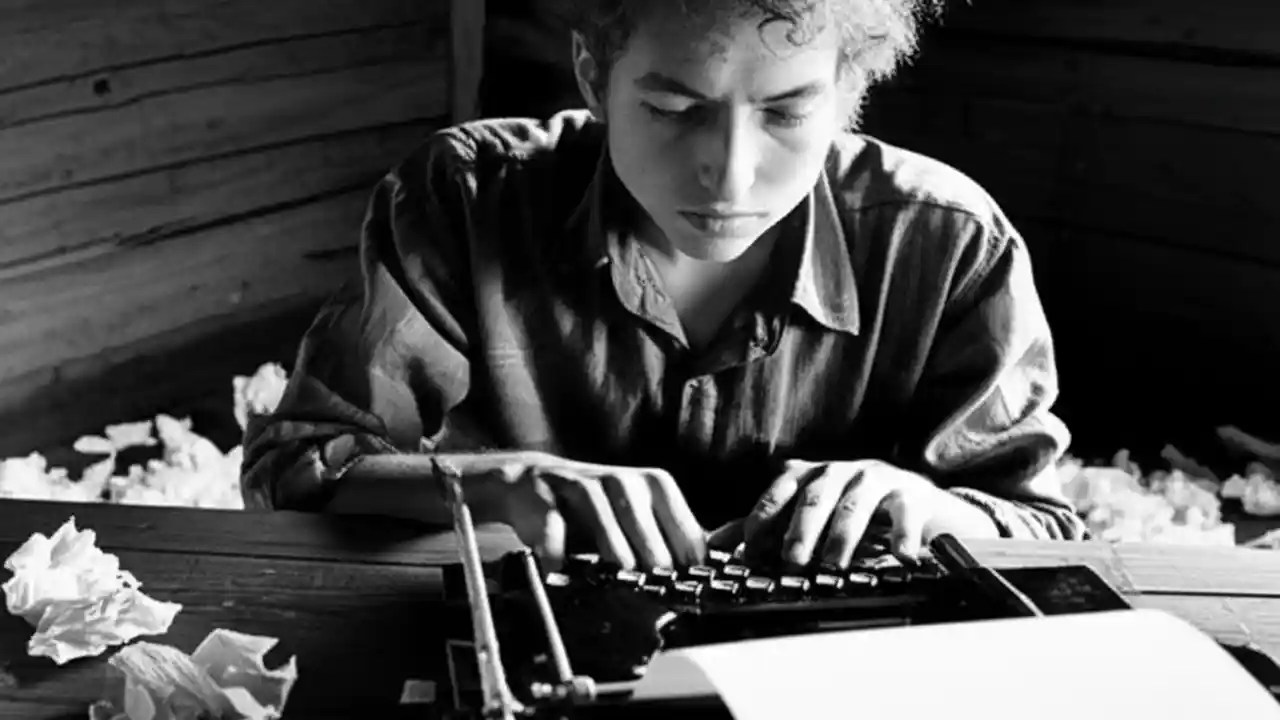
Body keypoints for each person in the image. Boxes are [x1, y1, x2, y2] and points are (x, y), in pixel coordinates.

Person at [241, 0, 1087, 572]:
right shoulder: (462, 199)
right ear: (591, 75)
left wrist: (932, 508)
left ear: (848, 91)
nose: (731, 174)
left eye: (789, 113)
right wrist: (498, 481)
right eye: (674, 109)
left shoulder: (948, 241)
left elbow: (1045, 532)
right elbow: (296, 471)